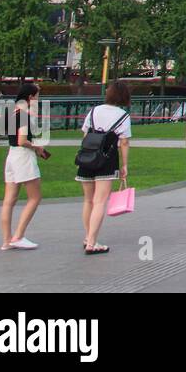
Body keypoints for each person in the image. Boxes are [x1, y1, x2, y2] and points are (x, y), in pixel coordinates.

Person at [77, 79, 133, 255]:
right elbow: (124, 142)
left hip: (87, 157)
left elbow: (85, 134)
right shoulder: (123, 116)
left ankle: (88, 237)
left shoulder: (94, 111)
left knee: (88, 200)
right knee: (99, 201)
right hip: (107, 159)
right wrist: (124, 165)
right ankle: (92, 242)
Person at [1, 83, 50, 251]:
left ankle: (7, 240)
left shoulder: (10, 111)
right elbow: (22, 140)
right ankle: (19, 236)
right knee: (35, 197)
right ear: (30, 97)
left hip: (12, 155)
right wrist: (37, 148)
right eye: (37, 96)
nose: (38, 99)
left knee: (9, 200)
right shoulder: (23, 114)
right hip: (23, 157)